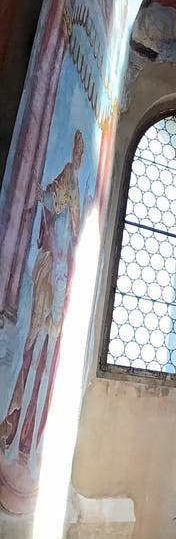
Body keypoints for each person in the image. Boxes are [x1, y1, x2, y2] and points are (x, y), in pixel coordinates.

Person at [0, 130, 84, 462]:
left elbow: (53, 203)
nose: (77, 152)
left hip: (58, 278)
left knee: (42, 354)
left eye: (78, 149)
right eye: (76, 147)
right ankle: (17, 423)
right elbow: (51, 203)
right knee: (34, 348)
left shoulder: (71, 186)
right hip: (52, 274)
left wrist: (44, 195)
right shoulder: (69, 181)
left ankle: (26, 431)